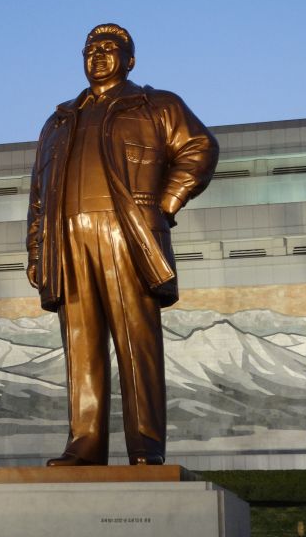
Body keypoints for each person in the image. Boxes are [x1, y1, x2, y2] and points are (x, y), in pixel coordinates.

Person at [27, 23, 219, 466]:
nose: (98, 55)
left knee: (137, 343)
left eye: (110, 48)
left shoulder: (155, 105)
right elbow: (38, 194)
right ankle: (85, 442)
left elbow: (199, 149)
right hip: (68, 238)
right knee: (81, 343)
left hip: (126, 233)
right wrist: (37, 251)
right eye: (91, 48)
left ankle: (145, 446)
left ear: (129, 61)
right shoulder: (59, 120)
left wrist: (165, 205)